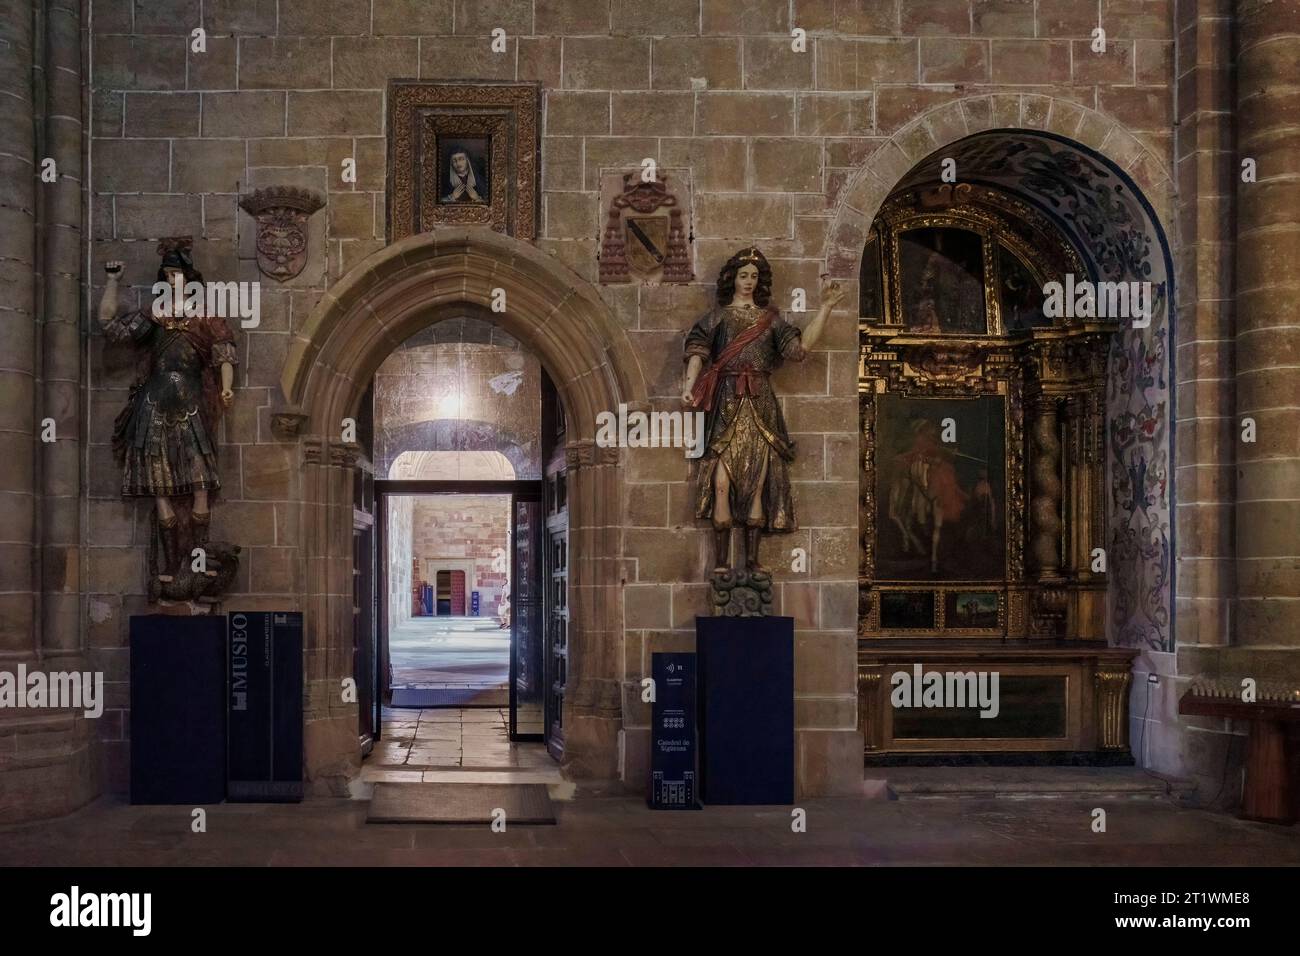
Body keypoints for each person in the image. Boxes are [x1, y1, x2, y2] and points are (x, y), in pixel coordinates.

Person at [682, 247, 844, 573]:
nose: (749, 282)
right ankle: (722, 561)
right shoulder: (717, 318)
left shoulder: (770, 322)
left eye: (754, 276)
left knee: (758, 480)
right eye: (743, 275)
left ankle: (753, 559)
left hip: (760, 403)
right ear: (733, 279)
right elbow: (697, 352)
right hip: (726, 401)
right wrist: (688, 387)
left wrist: (825, 308)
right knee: (721, 482)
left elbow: (800, 350)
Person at [98, 240, 237, 582]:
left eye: (178, 273)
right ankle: (171, 566)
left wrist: (226, 386)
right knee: (161, 490)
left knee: (200, 483)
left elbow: (224, 353)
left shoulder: (207, 315)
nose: (173, 279)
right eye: (169, 274)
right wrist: (113, 282)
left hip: (191, 403)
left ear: (191, 278)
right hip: (155, 404)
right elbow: (111, 327)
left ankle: (196, 562)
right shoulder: (154, 315)